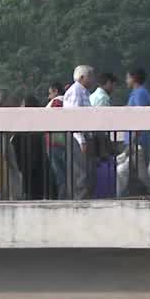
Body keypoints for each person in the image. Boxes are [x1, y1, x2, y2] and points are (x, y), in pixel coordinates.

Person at [118, 68, 150, 196]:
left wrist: (134, 139)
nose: (126, 80)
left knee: (140, 173)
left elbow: (140, 117)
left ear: (133, 78)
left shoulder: (140, 94)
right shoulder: (136, 93)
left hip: (138, 141)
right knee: (134, 173)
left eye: (128, 77)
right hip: (135, 140)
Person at [61, 65, 95, 199]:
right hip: (77, 137)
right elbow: (74, 117)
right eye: (90, 77)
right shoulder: (76, 91)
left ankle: (83, 199)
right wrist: (81, 139)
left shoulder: (84, 92)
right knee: (81, 173)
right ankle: (79, 201)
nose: (92, 80)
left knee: (86, 171)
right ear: (82, 77)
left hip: (83, 136)